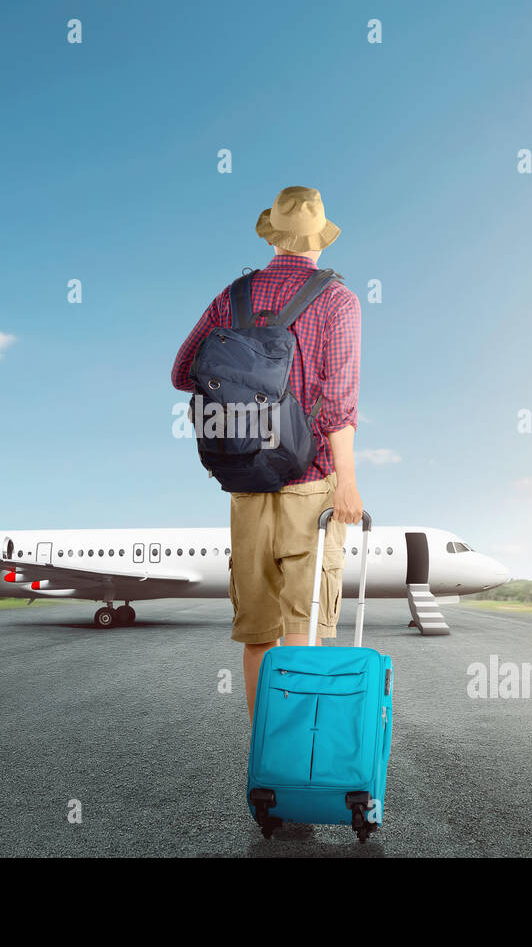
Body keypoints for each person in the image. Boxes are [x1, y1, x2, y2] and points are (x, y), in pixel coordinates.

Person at [170, 186, 363, 722]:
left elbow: (182, 372)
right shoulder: (337, 300)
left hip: (245, 481)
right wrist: (346, 480)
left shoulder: (234, 296)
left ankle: (262, 754)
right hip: (311, 480)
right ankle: (298, 756)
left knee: (258, 634)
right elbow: (340, 403)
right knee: (302, 630)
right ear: (319, 241)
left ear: (272, 236)